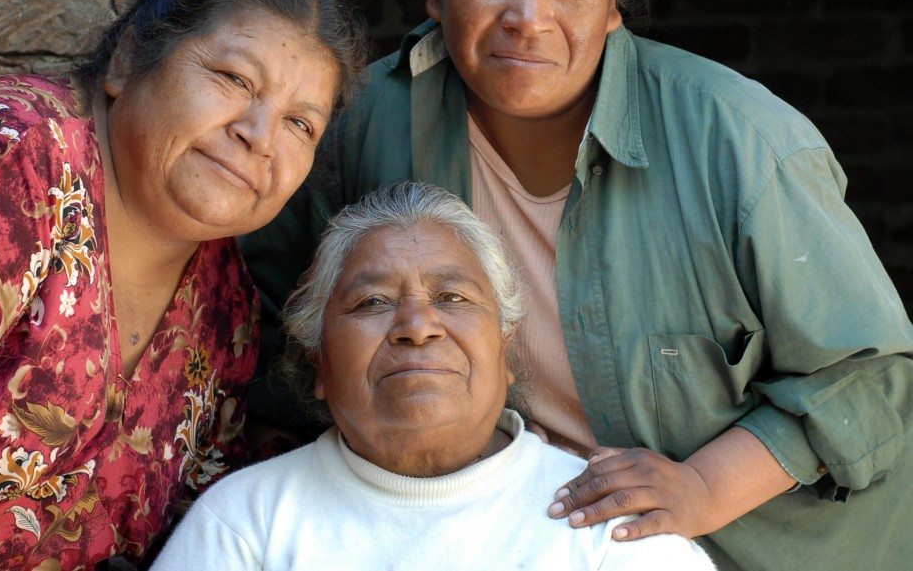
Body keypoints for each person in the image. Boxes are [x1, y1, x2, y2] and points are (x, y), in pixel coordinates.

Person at [239, 0, 913, 569]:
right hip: (528, 540)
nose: (529, 17)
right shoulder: (361, 125)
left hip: (768, 546)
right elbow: (267, 324)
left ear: (614, 3)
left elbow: (872, 374)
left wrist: (701, 487)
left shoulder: (740, 141)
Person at [0, 0, 364, 569]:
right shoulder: (1, 159)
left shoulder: (222, 310)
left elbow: (208, 526)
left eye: (300, 124)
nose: (260, 137)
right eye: (233, 78)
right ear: (128, 59)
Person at [154, 183, 715, 569]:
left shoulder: (606, 523)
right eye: (373, 301)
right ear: (317, 362)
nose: (417, 326)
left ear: (505, 346)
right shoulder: (247, 523)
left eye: (452, 296)